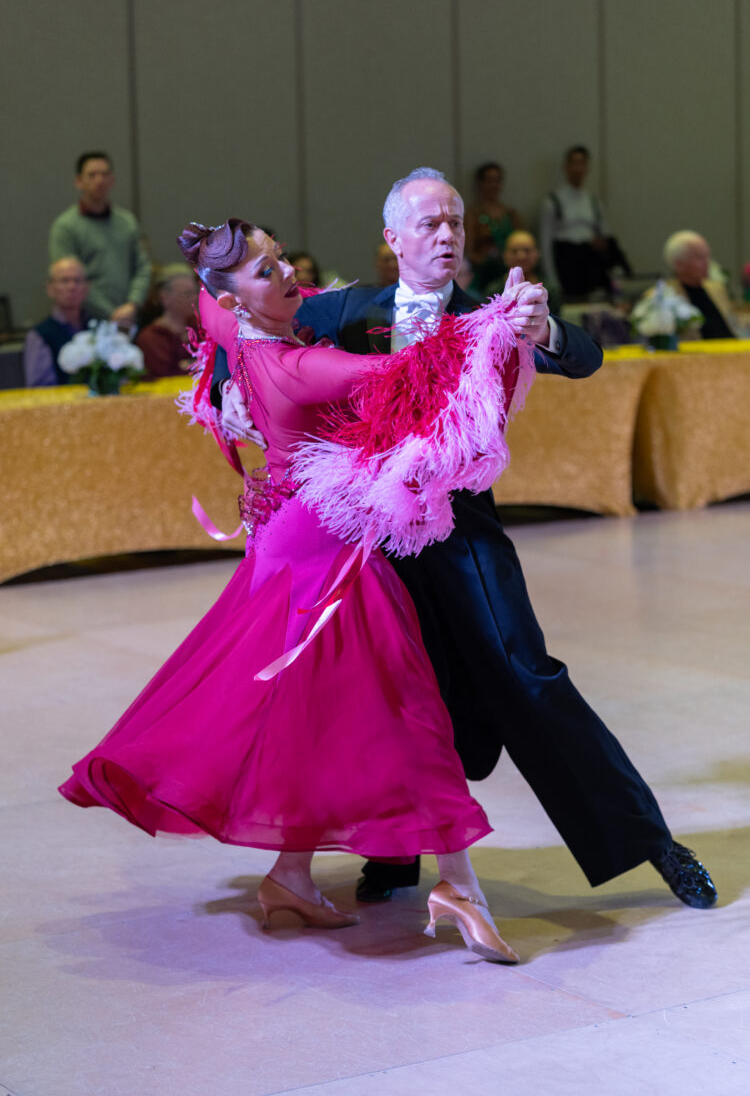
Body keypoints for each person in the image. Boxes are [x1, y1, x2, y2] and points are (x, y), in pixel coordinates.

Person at [218, 167, 715, 910]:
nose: (446, 234)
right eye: (429, 224)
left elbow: (584, 356)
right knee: (386, 695)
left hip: (463, 525)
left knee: (527, 671)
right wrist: (229, 387)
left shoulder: (495, 311)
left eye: (454, 221)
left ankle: (648, 842)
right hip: (371, 541)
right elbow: (245, 325)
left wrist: (544, 328)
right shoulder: (350, 311)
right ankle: (392, 857)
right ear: (393, 239)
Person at [59, 215, 550, 964]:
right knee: (403, 711)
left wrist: (225, 275)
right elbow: (418, 373)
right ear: (245, 300)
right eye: (267, 271)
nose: (288, 273)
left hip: (298, 543)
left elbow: (207, 306)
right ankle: (458, 884)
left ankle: (292, 874)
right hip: (326, 563)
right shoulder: (300, 368)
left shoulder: (233, 322)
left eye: (280, 256)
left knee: (308, 718)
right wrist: (497, 319)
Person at [49, 152, 152, 328]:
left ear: (112, 180)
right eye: (92, 175)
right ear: (78, 181)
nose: (99, 180)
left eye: (104, 174)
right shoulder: (65, 226)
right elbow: (68, 281)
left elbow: (143, 267)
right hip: (86, 320)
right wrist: (111, 313)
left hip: (129, 316)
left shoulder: (127, 221)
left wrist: (132, 304)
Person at [539, 145, 630, 300]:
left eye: (582, 163)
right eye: (574, 163)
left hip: (590, 261)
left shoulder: (593, 202)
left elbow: (605, 235)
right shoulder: (553, 201)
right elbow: (545, 245)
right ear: (566, 167)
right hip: (567, 261)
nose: (578, 169)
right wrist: (552, 282)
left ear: (587, 168)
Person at [654, 231, 738, 339]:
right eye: (700, 257)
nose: (707, 262)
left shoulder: (716, 289)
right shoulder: (663, 295)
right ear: (679, 264)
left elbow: (734, 325)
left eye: (707, 256)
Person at [23, 258, 91, 386]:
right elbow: (39, 389)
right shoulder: (40, 335)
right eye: (64, 281)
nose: (72, 287)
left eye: (77, 281)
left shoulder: (98, 328)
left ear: (86, 288)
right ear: (50, 288)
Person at [464, 162, 523, 289]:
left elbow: (522, 243)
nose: (493, 185)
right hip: (483, 275)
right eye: (489, 180)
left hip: (509, 273)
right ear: (480, 183)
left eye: (497, 180)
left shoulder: (511, 214)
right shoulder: (473, 214)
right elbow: (469, 252)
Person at [135, 265, 199, 378]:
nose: (194, 298)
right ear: (164, 297)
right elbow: (169, 374)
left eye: (195, 292)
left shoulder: (200, 327)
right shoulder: (151, 337)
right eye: (187, 294)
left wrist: (187, 365)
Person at [484, 231, 561, 315]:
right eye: (514, 251)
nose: (521, 256)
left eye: (527, 250)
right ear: (504, 256)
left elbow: (555, 322)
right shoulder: (493, 291)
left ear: (537, 254)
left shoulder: (550, 291)